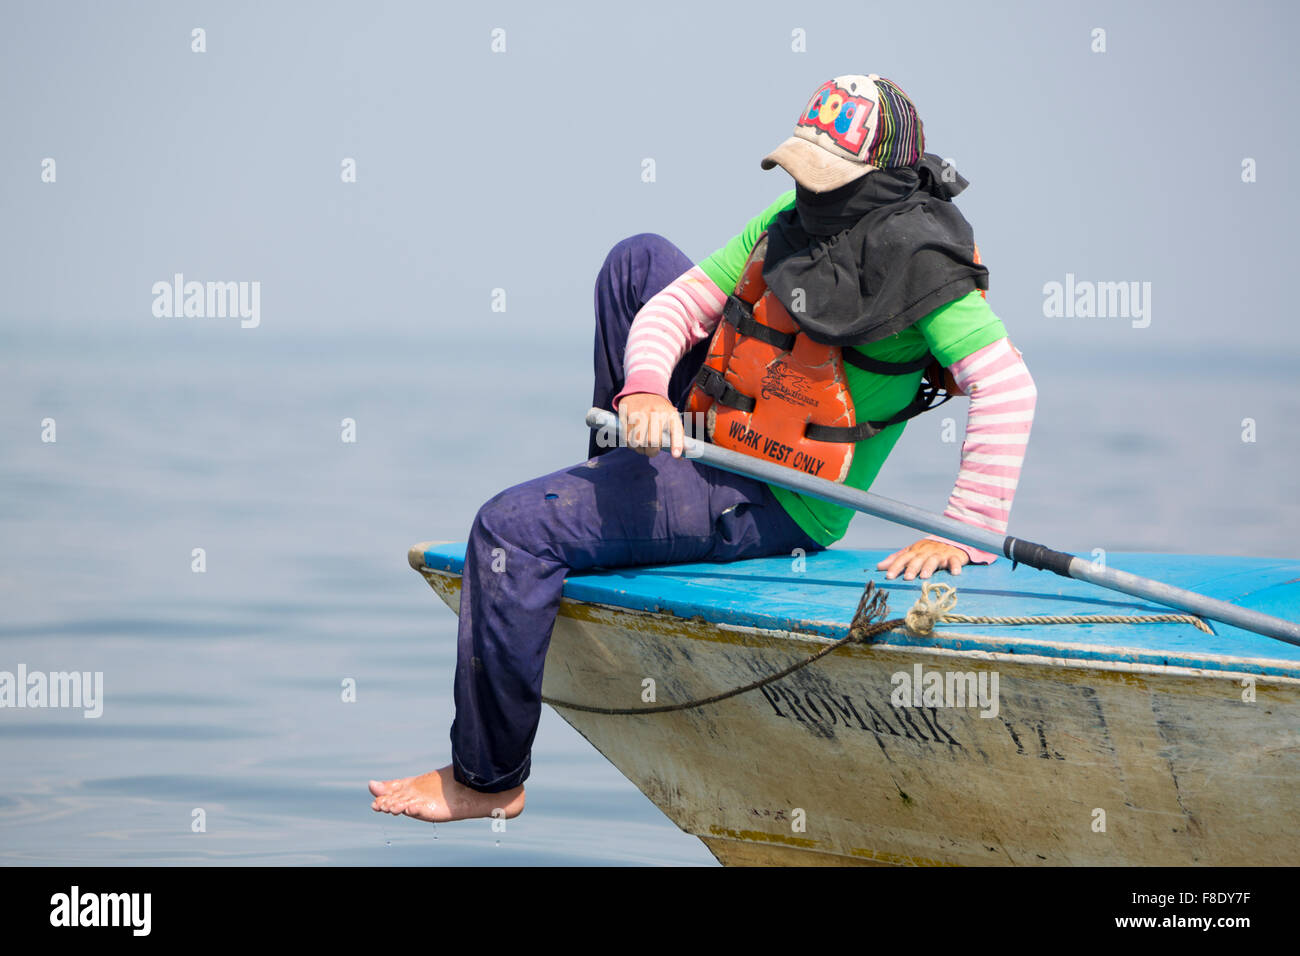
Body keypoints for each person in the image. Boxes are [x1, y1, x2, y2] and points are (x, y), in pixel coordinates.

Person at [370, 74, 1036, 823]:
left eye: (828, 180)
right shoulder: (793, 222)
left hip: (773, 497)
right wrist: (647, 391)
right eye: (801, 173)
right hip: (711, 436)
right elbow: (676, 304)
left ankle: (488, 780)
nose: (808, 192)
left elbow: (1009, 390)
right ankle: (617, 491)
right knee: (639, 259)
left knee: (509, 531)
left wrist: (969, 533)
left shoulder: (925, 265)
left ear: (884, 181)